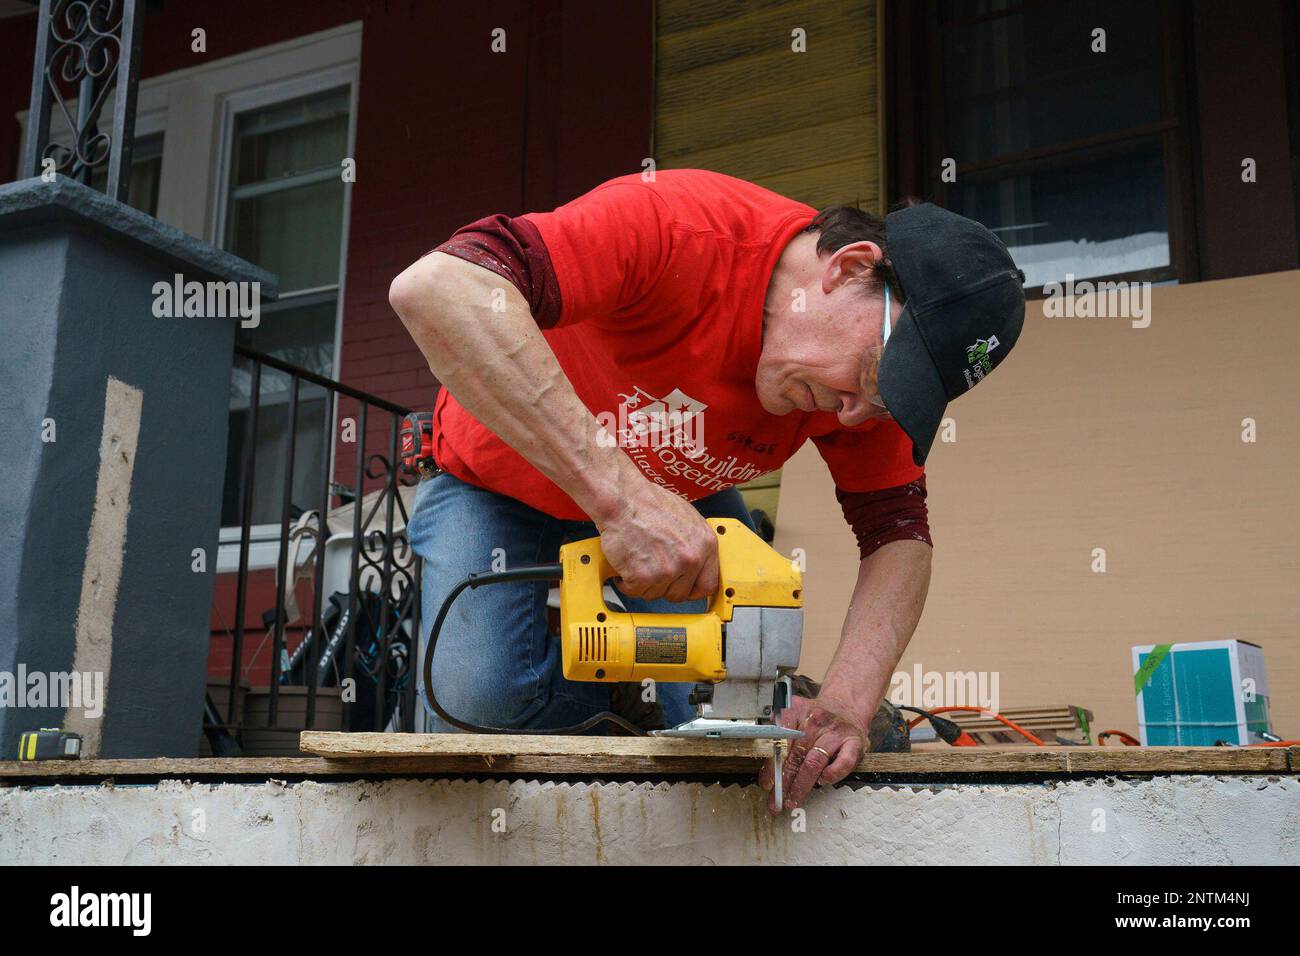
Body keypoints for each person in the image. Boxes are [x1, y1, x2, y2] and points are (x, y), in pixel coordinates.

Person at [388, 169, 1025, 813]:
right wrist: (623, 502)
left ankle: (651, 711)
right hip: (498, 480)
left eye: (889, 400)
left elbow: (899, 534)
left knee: (733, 722)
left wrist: (845, 707)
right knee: (475, 706)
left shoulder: (852, 389)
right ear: (850, 268)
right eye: (875, 375)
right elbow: (438, 286)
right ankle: (595, 708)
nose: (858, 412)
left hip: (676, 501)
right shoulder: (678, 227)